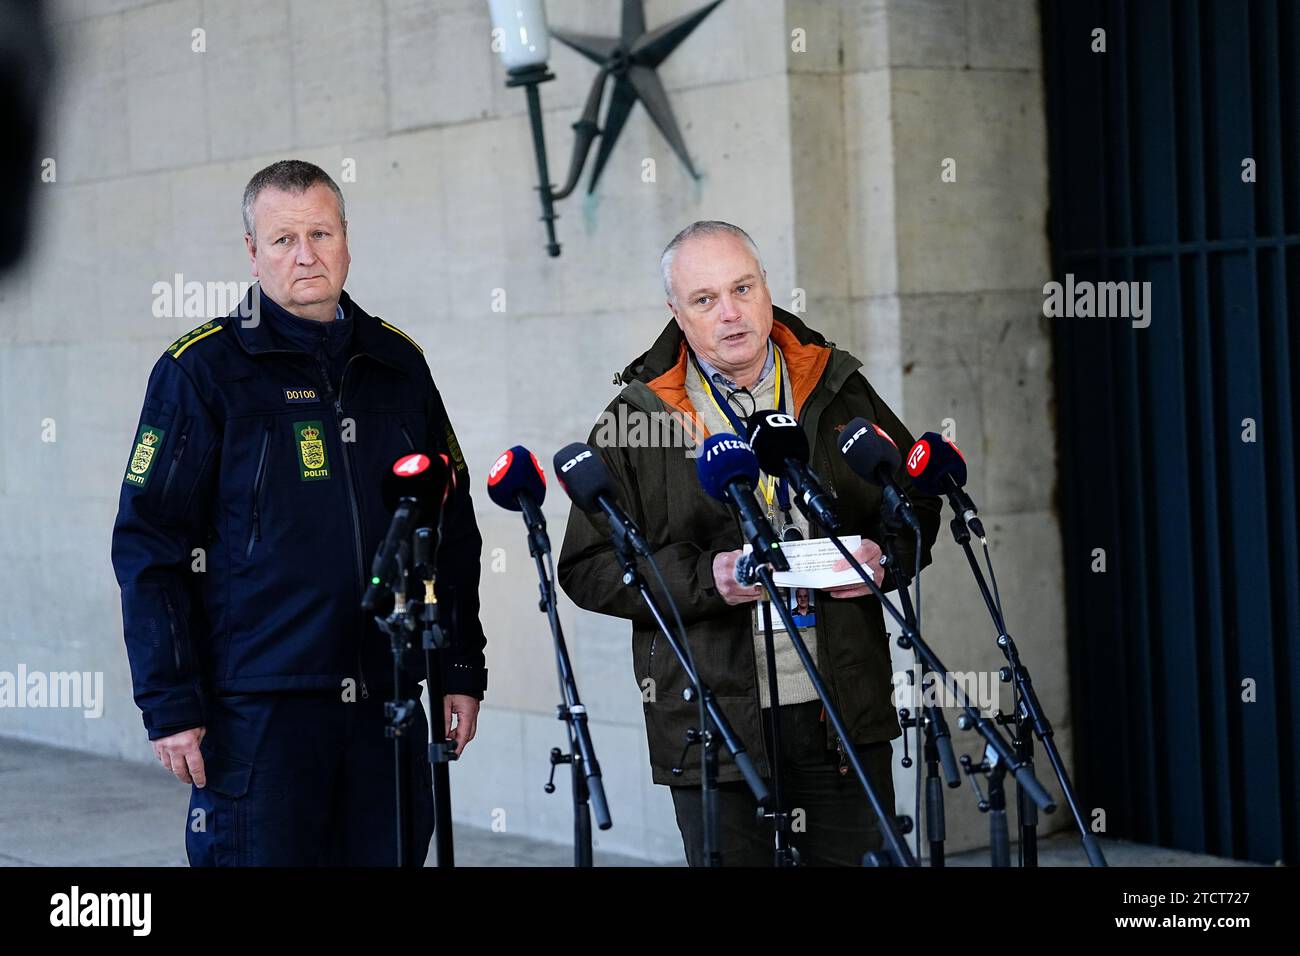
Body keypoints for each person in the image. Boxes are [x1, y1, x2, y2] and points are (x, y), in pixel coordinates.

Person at [111, 160, 487, 866]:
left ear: (347, 239)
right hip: (258, 711)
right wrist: (170, 702)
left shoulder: (399, 363)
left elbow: (450, 526)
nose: (305, 254)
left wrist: (459, 665)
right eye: (283, 239)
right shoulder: (201, 370)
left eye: (320, 232)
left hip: (391, 700)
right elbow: (149, 544)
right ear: (251, 252)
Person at [557, 220, 941, 866]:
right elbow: (589, 566)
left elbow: (915, 499)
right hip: (714, 727)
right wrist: (713, 580)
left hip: (841, 713)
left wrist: (885, 556)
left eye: (743, 288)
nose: (730, 313)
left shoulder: (835, 386)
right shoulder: (637, 417)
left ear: (767, 290)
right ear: (676, 313)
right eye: (705, 299)